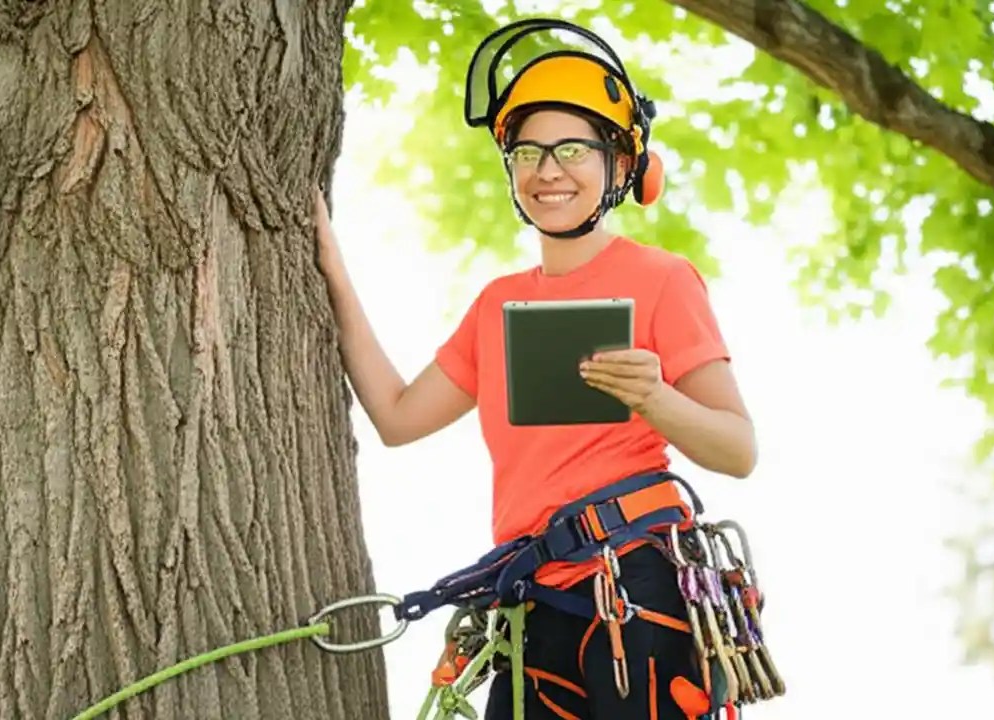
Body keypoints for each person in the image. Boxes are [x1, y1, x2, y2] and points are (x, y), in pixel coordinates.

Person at [313, 17, 757, 720]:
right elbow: (397, 416)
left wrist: (656, 398)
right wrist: (330, 271)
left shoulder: (663, 280)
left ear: (622, 163)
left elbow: (737, 449)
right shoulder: (498, 306)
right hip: (532, 603)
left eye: (574, 148)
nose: (549, 170)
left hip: (636, 590)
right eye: (529, 152)